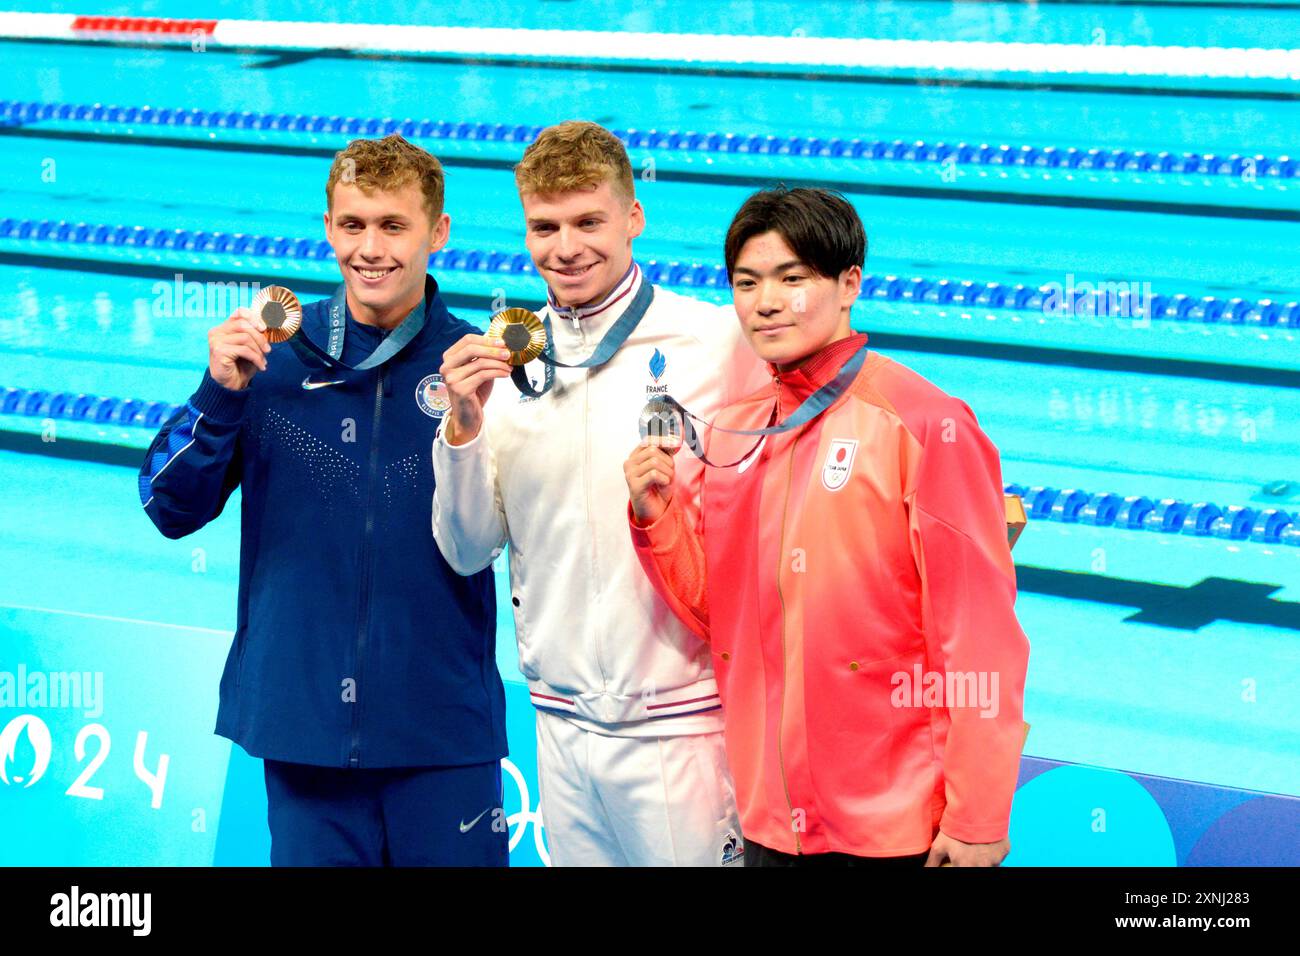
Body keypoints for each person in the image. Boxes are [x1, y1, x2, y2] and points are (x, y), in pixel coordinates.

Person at [624, 186, 1030, 867]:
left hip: (899, 831)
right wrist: (657, 517)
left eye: (793, 278)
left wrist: (979, 816)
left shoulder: (924, 423)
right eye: (747, 283)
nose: (767, 301)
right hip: (771, 823)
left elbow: (980, 638)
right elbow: (722, 617)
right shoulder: (736, 431)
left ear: (849, 285)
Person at [138, 134, 508, 866]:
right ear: (329, 227)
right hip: (303, 728)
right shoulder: (272, 360)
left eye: (393, 226)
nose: (370, 248)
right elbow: (169, 508)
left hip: (441, 734)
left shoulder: (476, 367)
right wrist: (219, 394)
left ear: (438, 233)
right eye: (352, 224)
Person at [432, 121, 765, 866]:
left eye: (589, 221)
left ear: (633, 218)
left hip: (680, 727)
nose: (567, 246)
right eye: (544, 226)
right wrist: (462, 425)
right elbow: (465, 549)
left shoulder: (713, 342)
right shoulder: (504, 363)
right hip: (559, 727)